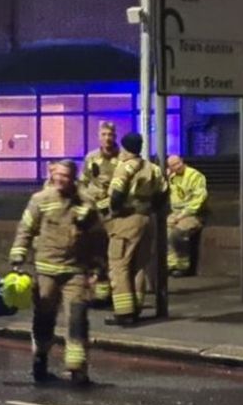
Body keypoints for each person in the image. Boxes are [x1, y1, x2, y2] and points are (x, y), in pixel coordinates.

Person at [10, 160, 104, 385]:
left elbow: (99, 237)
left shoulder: (86, 202)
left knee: (78, 319)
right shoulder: (40, 200)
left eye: (66, 175)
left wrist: (99, 267)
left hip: (76, 271)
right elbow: (26, 228)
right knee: (44, 318)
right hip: (46, 271)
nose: (61, 179)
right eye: (58, 175)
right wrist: (17, 257)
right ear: (52, 176)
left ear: (74, 177)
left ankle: (77, 368)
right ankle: (40, 361)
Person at [103, 133, 165, 326]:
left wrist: (116, 212)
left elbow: (117, 195)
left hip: (127, 220)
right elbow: (162, 194)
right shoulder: (152, 168)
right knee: (138, 265)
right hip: (146, 219)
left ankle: (124, 312)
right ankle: (136, 306)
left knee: (119, 265)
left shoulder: (125, 167)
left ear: (124, 147)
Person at [79, 122, 122, 302]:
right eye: (103, 134)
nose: (107, 138)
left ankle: (111, 290)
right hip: (94, 212)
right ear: (99, 136)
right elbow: (82, 182)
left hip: (114, 213)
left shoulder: (122, 158)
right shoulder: (91, 158)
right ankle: (98, 290)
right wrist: (87, 198)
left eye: (110, 134)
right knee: (93, 249)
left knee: (112, 252)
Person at [166, 155, 208, 276]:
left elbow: (198, 200)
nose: (177, 167)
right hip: (176, 213)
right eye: (173, 165)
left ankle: (183, 265)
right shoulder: (172, 177)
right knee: (164, 230)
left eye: (178, 163)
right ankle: (171, 264)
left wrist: (182, 216)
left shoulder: (195, 176)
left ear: (182, 161)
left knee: (177, 232)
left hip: (194, 213)